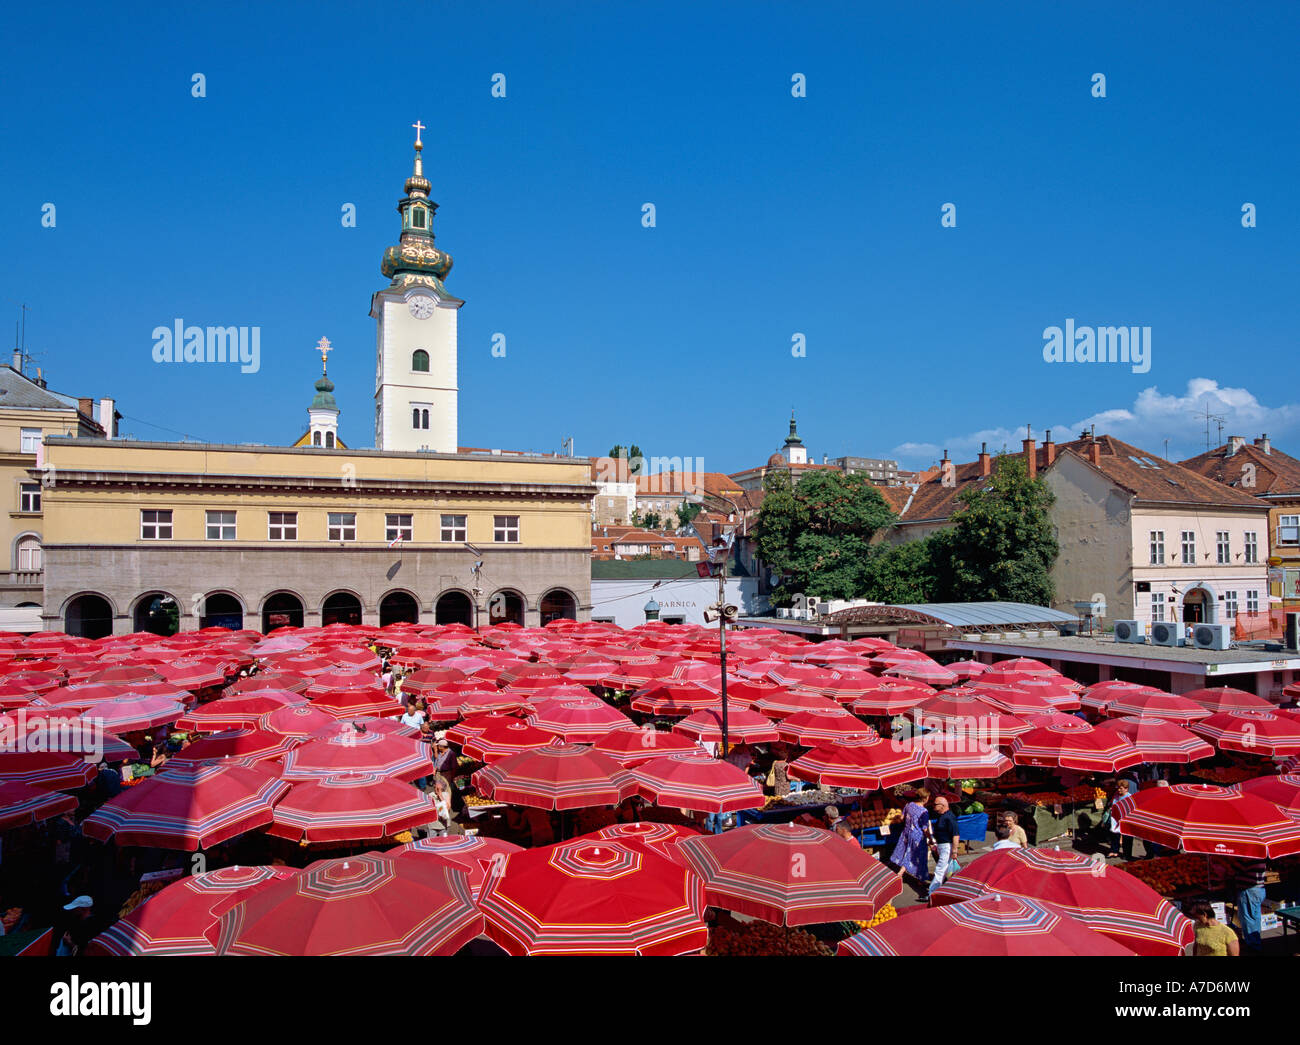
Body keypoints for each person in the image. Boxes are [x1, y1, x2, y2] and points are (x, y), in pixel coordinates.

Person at [889, 788, 932, 899]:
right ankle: (919, 879)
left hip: (906, 833)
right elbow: (924, 828)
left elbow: (902, 818)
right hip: (917, 837)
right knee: (919, 858)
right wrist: (931, 839)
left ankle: (900, 873)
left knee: (907, 853)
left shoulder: (909, 805)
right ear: (925, 798)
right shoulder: (924, 812)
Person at [1232, 858, 1268, 952]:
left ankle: (1254, 946)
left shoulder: (1250, 858)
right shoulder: (1261, 857)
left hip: (1250, 890)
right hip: (1257, 889)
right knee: (1253, 917)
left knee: (1249, 919)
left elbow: (1237, 868)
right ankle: (1254, 942)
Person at [928, 796, 960, 889]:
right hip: (942, 846)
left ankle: (932, 891)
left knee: (940, 870)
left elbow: (956, 835)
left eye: (935, 804)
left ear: (942, 805)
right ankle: (951, 888)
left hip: (946, 847)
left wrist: (954, 851)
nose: (933, 806)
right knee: (945, 870)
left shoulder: (949, 817)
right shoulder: (942, 816)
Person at [1105, 780, 1135, 860]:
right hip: (1116, 819)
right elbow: (1113, 803)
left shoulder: (1129, 797)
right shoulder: (1116, 795)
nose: (1119, 790)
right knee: (1114, 835)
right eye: (1118, 788)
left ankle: (1127, 854)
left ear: (1126, 789)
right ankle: (1114, 851)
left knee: (1127, 838)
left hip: (1126, 819)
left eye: (1121, 788)